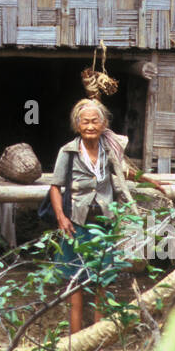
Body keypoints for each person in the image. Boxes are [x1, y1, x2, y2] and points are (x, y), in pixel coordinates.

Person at [48, 98, 135, 335]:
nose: (90, 126)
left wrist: (154, 182)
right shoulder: (68, 151)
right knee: (75, 287)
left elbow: (127, 173)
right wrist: (61, 218)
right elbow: (55, 187)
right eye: (84, 122)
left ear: (104, 123)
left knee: (101, 285)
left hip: (103, 224)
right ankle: (76, 341)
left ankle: (96, 342)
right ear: (77, 125)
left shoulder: (110, 150)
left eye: (95, 121)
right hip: (75, 224)